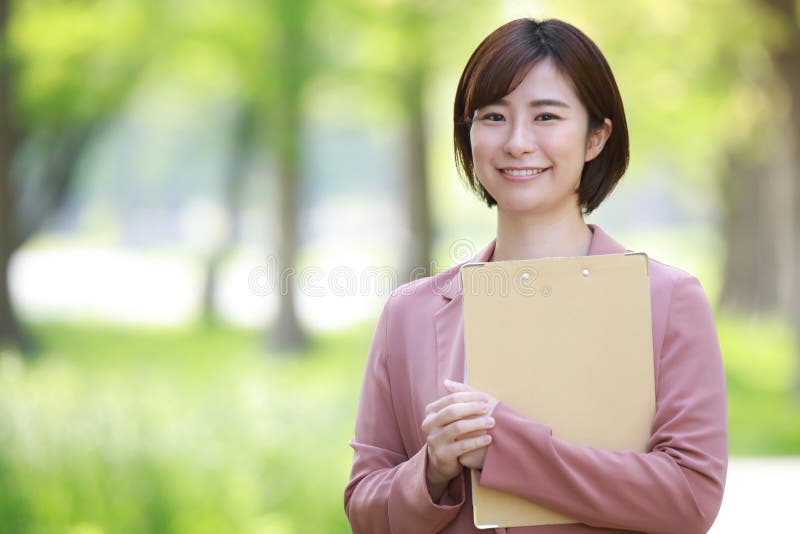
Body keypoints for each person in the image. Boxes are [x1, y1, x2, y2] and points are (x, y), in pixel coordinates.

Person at [344, 18, 727, 534]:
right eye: (493, 116)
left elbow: (690, 499)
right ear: (469, 133)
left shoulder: (667, 301)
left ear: (596, 136)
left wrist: (505, 447)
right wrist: (431, 470)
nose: (518, 142)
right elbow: (366, 511)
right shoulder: (408, 314)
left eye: (546, 116)